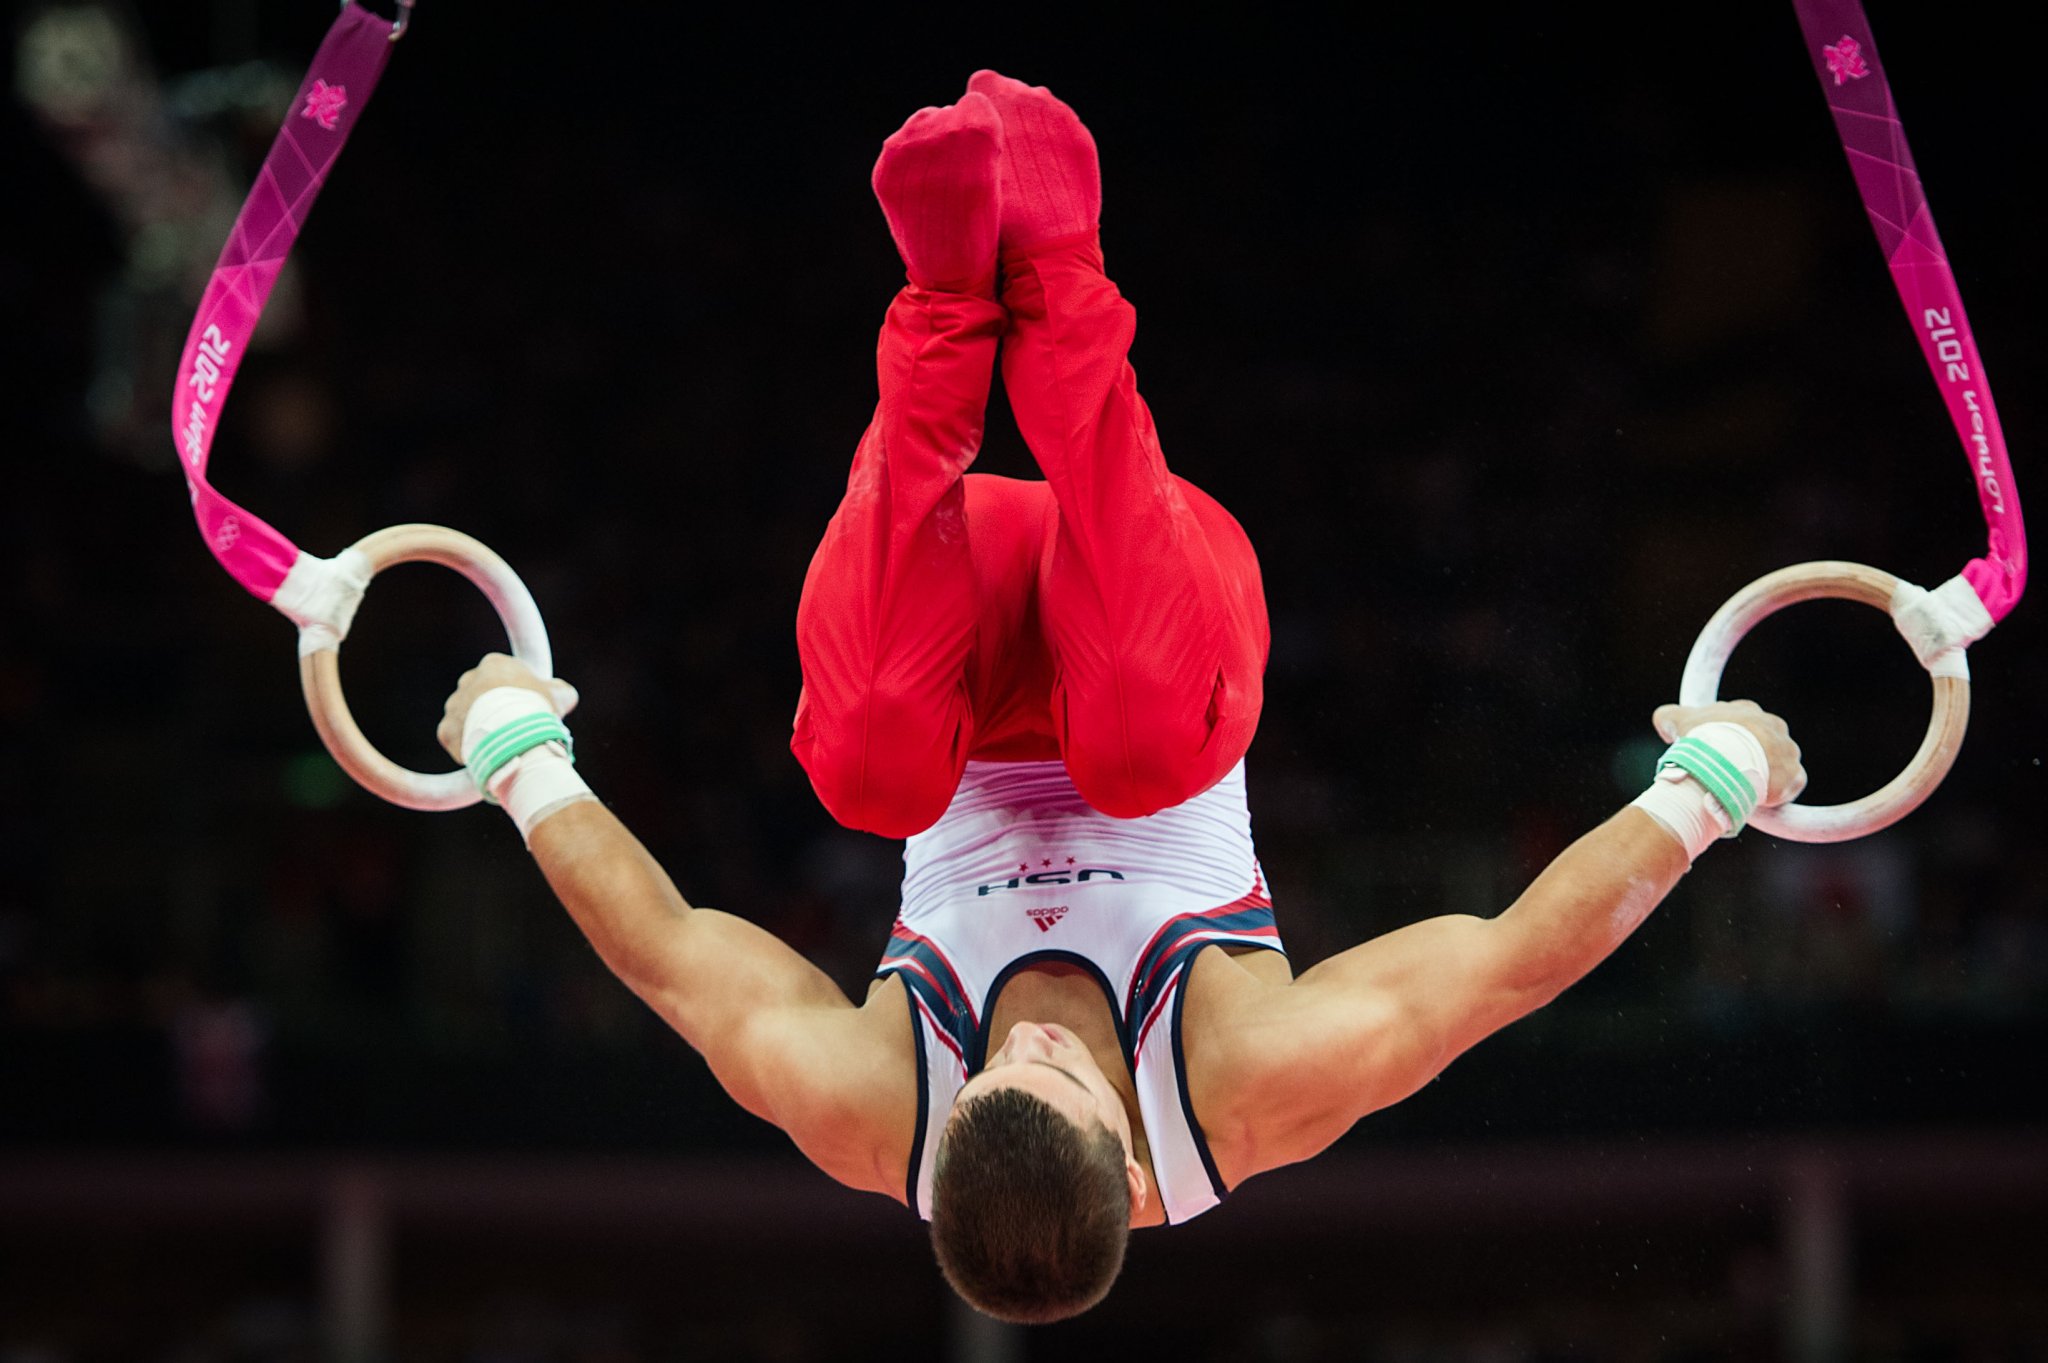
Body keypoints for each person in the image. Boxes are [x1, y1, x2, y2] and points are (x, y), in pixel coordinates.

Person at [436, 72, 1808, 1325]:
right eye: (1067, 1068)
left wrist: (520, 757)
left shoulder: (873, 1110)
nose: (1030, 1033)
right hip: (1150, 619)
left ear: (947, 1134)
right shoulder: (1248, 1090)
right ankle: (1057, 269)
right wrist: (1709, 790)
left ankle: (943, 305)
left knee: (867, 770)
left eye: (998, 1068)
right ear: (1138, 1168)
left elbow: (670, 954)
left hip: (961, 634)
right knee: (1139, 750)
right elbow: (1510, 963)